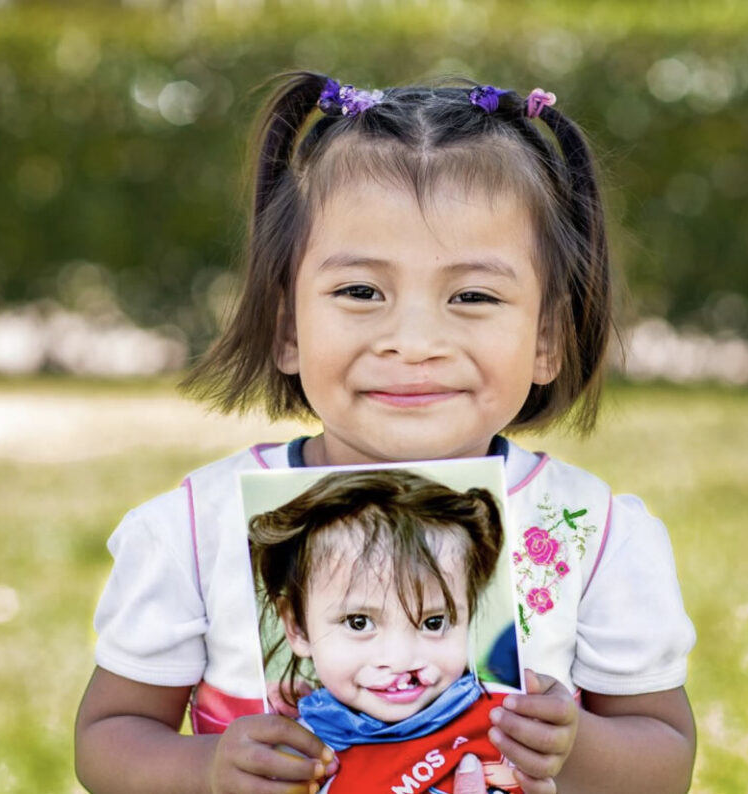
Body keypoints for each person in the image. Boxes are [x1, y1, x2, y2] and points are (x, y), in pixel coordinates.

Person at [75, 71, 698, 794]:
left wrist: (573, 744)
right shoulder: (192, 528)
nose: (413, 341)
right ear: (287, 328)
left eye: (472, 296)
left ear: (547, 337)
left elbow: (665, 759)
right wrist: (206, 768)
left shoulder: (597, 535)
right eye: (361, 292)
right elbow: (108, 737)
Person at [247, 468, 519, 794]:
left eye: (433, 623)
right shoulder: (290, 762)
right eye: (358, 622)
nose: (401, 659)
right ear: (297, 627)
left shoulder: (510, 723)